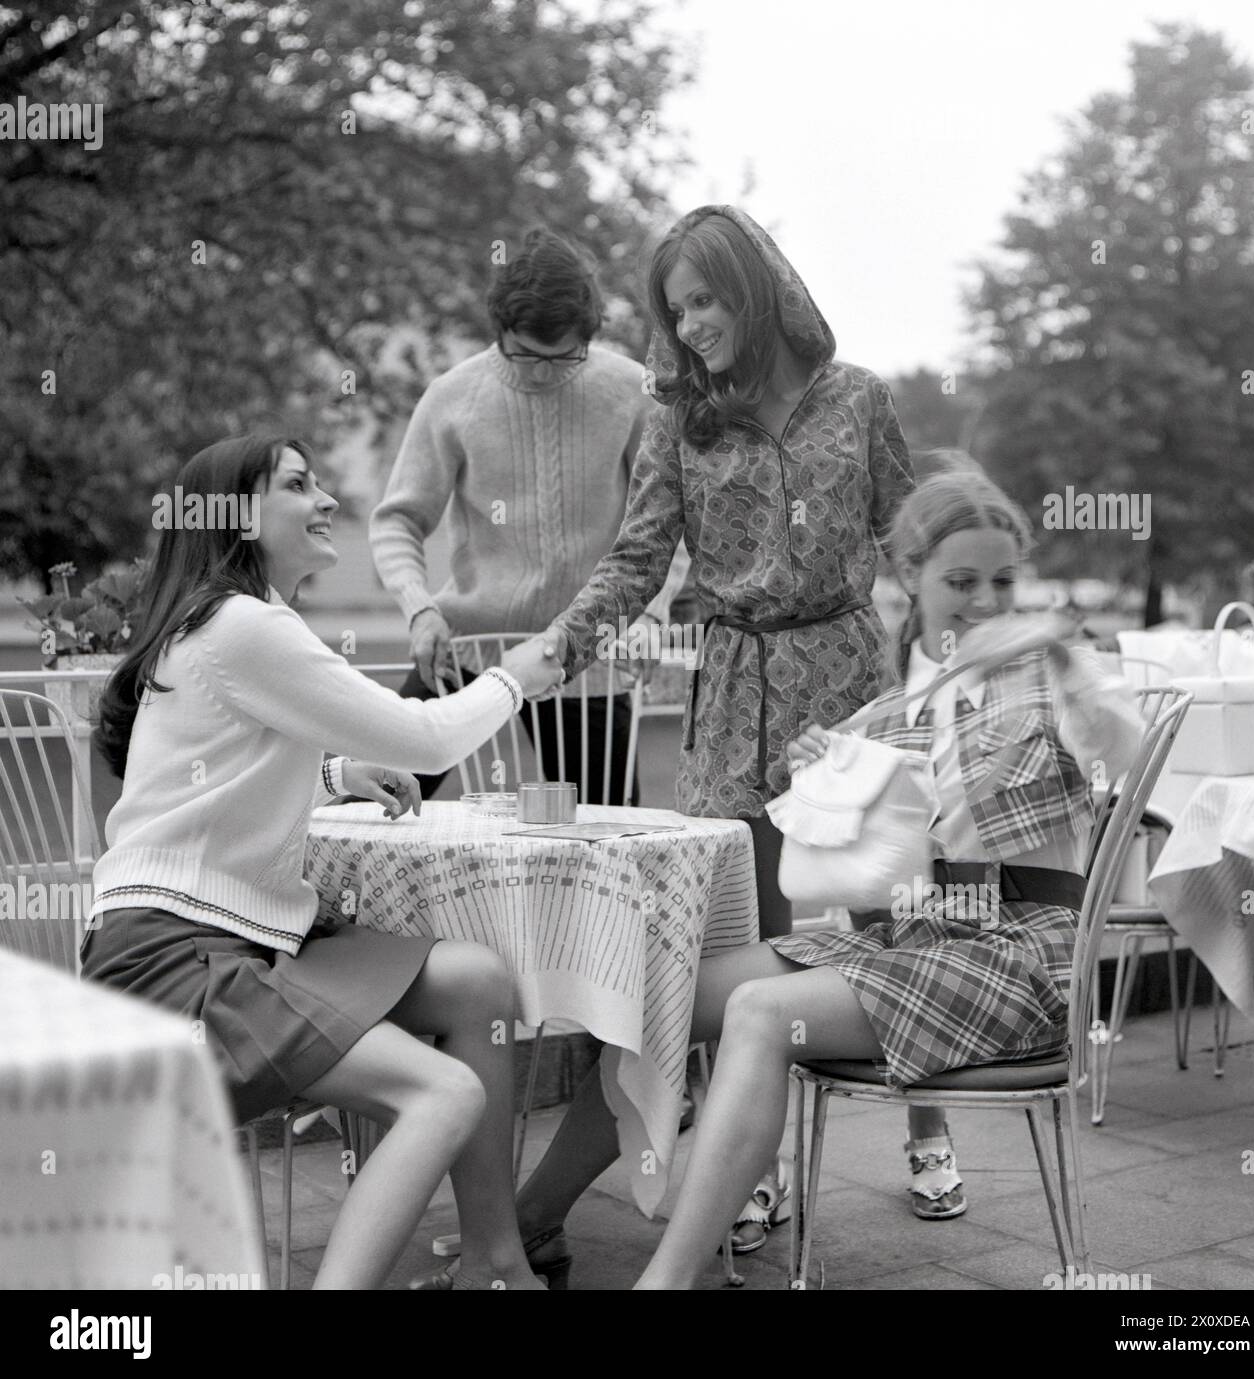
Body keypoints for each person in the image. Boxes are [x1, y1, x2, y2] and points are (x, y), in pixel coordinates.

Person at [522, 459, 1145, 1287]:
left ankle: (663, 1282)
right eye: (963, 580)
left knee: (760, 1011)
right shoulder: (900, 701)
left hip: (1021, 961)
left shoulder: (1046, 674)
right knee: (662, 990)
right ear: (911, 577)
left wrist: (1083, 684)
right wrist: (826, 762)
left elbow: (1127, 755)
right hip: (913, 946)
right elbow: (855, 846)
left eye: (1003, 579)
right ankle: (531, 1219)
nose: (988, 601)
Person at [506, 205, 918, 1265]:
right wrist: (553, 647)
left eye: (703, 298)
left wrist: (966, 642)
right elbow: (637, 560)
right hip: (735, 694)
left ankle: (930, 1128)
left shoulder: (858, 400)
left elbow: (908, 533)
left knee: (886, 918)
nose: (689, 325)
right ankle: (756, 1169)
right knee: (737, 948)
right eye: (673, 308)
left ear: (755, 287)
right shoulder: (673, 419)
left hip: (847, 684)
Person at [84, 435, 563, 1290]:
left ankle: (496, 1262)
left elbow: (210, 777)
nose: (330, 498)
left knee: (479, 983)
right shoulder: (243, 624)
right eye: (300, 484)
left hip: (231, 942)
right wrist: (515, 679)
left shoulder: (223, 621)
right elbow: (425, 736)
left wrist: (335, 774)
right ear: (238, 515)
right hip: (177, 964)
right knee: (443, 1094)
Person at [369, 225, 688, 804]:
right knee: (369, 798)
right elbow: (398, 520)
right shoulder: (452, 395)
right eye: (524, 354)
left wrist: (649, 619)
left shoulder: (632, 392)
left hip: (587, 660)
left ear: (588, 334)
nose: (542, 373)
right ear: (500, 330)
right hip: (466, 651)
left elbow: (671, 527)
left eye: (564, 355)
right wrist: (419, 611)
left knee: (604, 846)